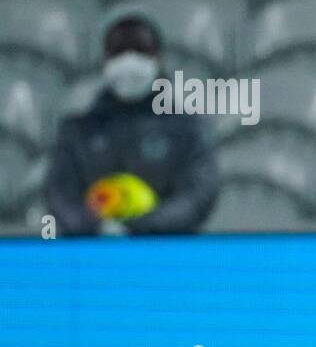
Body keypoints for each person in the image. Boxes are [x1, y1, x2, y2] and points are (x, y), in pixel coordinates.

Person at [47, 15, 218, 236]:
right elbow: (59, 194)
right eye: (119, 52)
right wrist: (95, 227)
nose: (129, 61)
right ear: (105, 60)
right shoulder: (78, 131)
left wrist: (139, 228)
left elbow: (198, 195)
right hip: (91, 256)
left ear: (158, 59)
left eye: (140, 51)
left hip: (167, 254)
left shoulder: (187, 129)